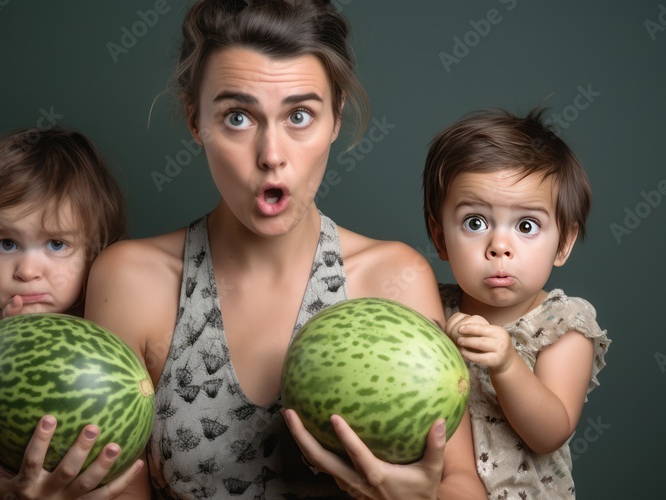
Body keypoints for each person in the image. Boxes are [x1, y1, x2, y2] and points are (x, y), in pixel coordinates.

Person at [73, 0, 486, 498]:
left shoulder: (392, 279)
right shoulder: (131, 280)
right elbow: (112, 484)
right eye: (238, 117)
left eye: (299, 115)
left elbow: (459, 480)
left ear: (336, 119)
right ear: (195, 121)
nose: (271, 156)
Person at [0, 127, 135, 499]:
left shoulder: (109, 334)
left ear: (94, 251)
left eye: (56, 244)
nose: (27, 270)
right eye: (7, 243)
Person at [422, 107, 611, 498]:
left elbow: (551, 432)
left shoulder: (564, 325)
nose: (500, 248)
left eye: (526, 226)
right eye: (475, 222)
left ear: (563, 243)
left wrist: (507, 363)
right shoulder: (429, 309)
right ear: (440, 237)